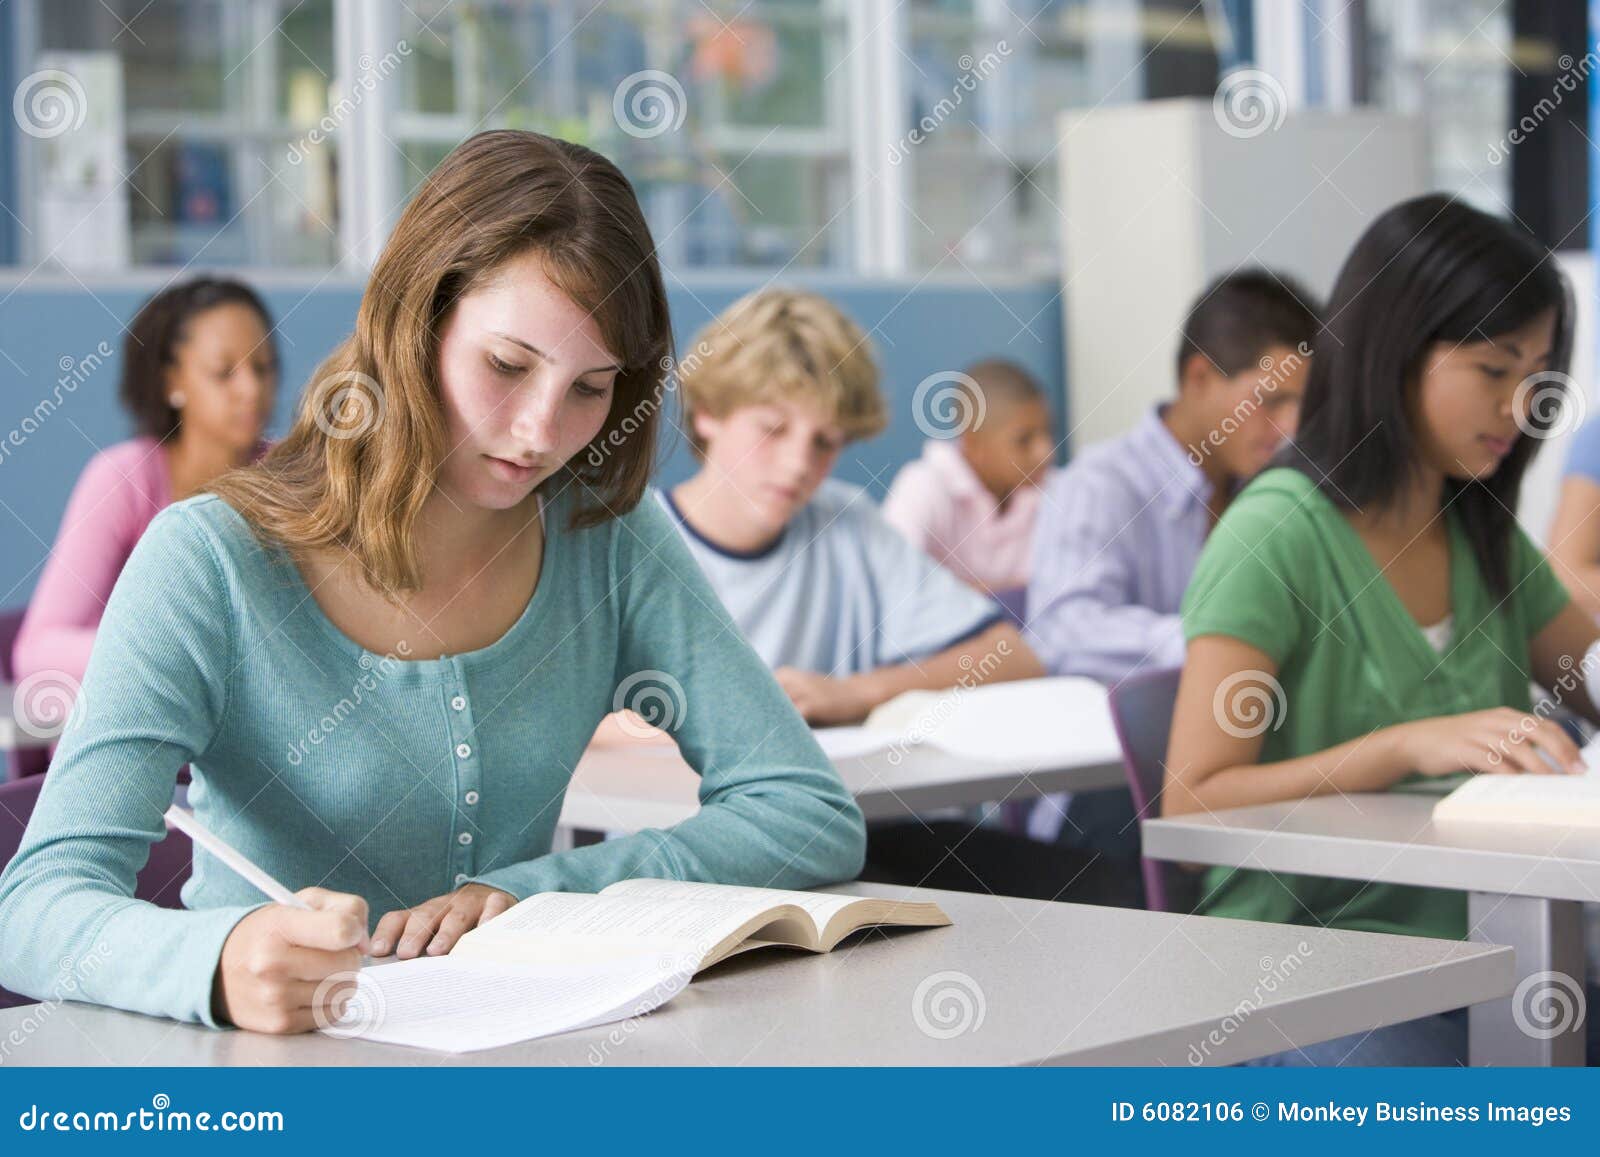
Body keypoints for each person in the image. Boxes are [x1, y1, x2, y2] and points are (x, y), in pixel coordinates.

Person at [0, 131, 865, 1034]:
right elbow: (33, 910)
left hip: (524, 1059)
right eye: (507, 366)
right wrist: (215, 963)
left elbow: (806, 810)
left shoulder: (607, 537)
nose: (540, 431)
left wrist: (540, 891)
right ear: (416, 322)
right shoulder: (208, 559)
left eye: (592, 387)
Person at [1166, 194, 1599, 1065]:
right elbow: (1195, 798)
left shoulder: (1477, 527)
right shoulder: (1276, 533)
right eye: (1493, 368)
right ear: (1398, 352)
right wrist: (1404, 746)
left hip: (1486, 940)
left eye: (1540, 372)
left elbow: (1587, 668)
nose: (1523, 404)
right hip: (1312, 969)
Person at [1023, 269, 1316, 849]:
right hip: (1105, 792)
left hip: (1230, 767)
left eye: (1303, 406)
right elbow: (1062, 632)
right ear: (1200, 378)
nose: (1290, 428)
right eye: (1272, 400)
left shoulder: (1273, 494)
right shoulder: (1101, 484)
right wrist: (1223, 650)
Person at [13, 278, 278, 694]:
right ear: (172, 381)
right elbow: (36, 653)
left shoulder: (291, 477)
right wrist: (167, 649)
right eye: (224, 372)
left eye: (263, 368)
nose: (252, 389)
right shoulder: (121, 480)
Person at [881, 359, 1056, 593]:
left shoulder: (1057, 489)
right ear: (973, 445)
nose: (1046, 451)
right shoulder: (923, 486)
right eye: (1024, 440)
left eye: (1048, 432)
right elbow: (890, 580)